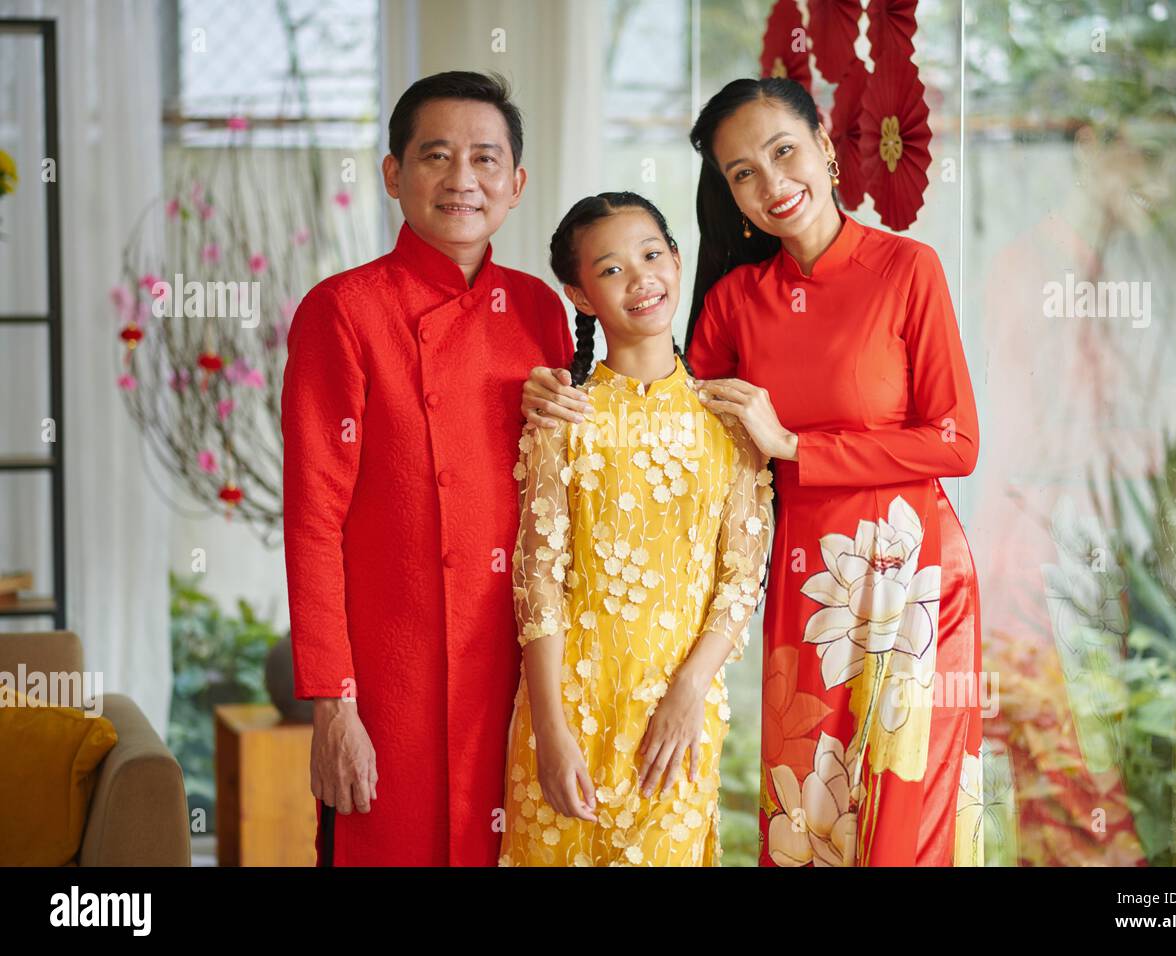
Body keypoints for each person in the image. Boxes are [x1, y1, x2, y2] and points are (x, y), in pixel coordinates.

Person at [521, 78, 984, 866]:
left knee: (906, 828)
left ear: (825, 147)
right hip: (803, 582)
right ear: (730, 195)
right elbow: (671, 418)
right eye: (743, 173)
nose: (772, 184)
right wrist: (555, 389)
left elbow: (956, 443)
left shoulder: (908, 268)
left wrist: (796, 445)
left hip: (912, 575)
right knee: (808, 820)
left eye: (783, 152)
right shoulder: (735, 300)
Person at [282, 71, 574, 866]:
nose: (461, 180)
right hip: (391, 679)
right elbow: (312, 520)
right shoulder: (342, 311)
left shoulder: (541, 310)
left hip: (517, 672)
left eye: (485, 159)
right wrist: (333, 704)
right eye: (436, 156)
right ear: (393, 173)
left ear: (516, 184)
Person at [499, 193, 774, 865]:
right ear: (580, 295)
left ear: (677, 260)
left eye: (652, 254)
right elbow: (538, 582)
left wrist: (690, 691)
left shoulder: (732, 422)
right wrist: (549, 729)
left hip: (679, 724)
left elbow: (741, 580)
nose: (641, 278)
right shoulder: (563, 418)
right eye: (611, 269)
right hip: (567, 715)